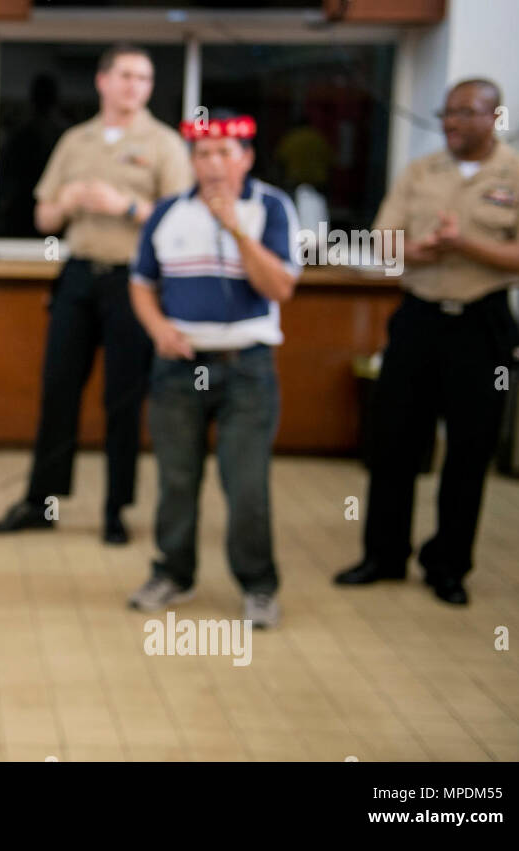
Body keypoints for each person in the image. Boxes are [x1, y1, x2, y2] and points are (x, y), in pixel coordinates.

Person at [334, 79, 519, 605]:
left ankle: (448, 565)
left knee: (469, 450)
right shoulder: (420, 173)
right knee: (392, 445)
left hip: (483, 326)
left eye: (464, 112)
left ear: (494, 117)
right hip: (418, 320)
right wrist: (427, 250)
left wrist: (466, 245)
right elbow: (383, 243)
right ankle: (383, 555)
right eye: (446, 112)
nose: (451, 122)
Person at [0, 44, 193, 545]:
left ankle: (116, 509)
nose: (134, 86)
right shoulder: (75, 141)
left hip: (133, 282)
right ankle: (42, 502)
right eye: (125, 75)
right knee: (58, 390)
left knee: (122, 398)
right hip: (77, 274)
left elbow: (182, 220)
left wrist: (126, 206)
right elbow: (43, 218)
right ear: (102, 81)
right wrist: (69, 201)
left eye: (143, 78)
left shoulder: (164, 143)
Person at [126, 112, 300, 628]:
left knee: (245, 482)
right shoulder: (167, 212)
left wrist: (235, 231)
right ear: (192, 161)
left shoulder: (270, 207)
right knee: (176, 479)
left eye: (226, 152)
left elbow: (280, 288)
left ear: (246, 157)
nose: (214, 163)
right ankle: (173, 574)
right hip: (179, 367)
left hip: (246, 366)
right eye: (204, 154)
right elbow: (141, 283)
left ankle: (259, 586)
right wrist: (158, 328)